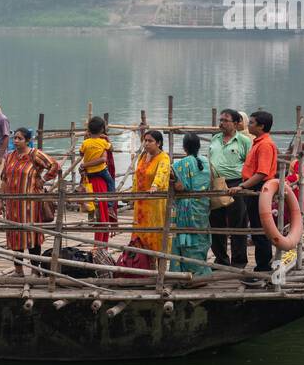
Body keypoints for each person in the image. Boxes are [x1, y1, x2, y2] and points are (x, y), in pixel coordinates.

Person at [1, 127, 59, 276]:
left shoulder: (35, 155)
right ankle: (18, 270)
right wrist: (0, 201)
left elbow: (54, 165)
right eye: (14, 138)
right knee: (15, 236)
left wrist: (43, 179)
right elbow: (4, 179)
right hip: (13, 205)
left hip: (31, 205)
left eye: (19, 138)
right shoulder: (9, 157)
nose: (16, 141)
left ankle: (35, 269)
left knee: (32, 236)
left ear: (27, 140)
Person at [232, 110, 279, 272]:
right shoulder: (258, 142)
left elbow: (262, 173)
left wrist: (243, 186)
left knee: (260, 229)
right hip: (255, 186)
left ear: (261, 126)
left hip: (259, 188)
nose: (248, 125)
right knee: (257, 227)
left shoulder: (265, 145)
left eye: (251, 122)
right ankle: (262, 264)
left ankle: (263, 266)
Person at [208, 109, 251, 267]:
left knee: (237, 222)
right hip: (216, 183)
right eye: (221, 120)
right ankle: (221, 259)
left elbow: (250, 164)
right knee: (215, 221)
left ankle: (239, 261)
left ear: (236, 123)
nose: (222, 123)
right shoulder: (215, 139)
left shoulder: (244, 141)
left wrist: (242, 185)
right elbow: (209, 159)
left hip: (236, 183)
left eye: (226, 120)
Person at [126, 130, 171, 271]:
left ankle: (160, 270)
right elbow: (136, 177)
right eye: (145, 140)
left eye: (150, 141)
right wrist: (132, 195)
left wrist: (155, 186)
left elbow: (162, 173)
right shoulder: (142, 156)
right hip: (140, 204)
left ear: (158, 143)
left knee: (156, 235)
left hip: (155, 203)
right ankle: (144, 269)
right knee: (140, 235)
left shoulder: (163, 158)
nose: (146, 143)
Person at [170, 133, 212, 276]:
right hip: (202, 205)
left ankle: (190, 273)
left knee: (187, 239)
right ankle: (201, 270)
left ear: (184, 147)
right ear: (199, 146)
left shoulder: (181, 164)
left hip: (187, 208)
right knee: (200, 237)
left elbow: (180, 187)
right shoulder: (206, 161)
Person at [80, 116, 116, 244]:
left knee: (98, 213)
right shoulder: (103, 142)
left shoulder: (86, 143)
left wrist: (85, 164)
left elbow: (81, 154)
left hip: (90, 177)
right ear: (102, 129)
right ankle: (111, 205)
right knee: (101, 213)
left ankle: (100, 245)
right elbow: (106, 157)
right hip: (100, 180)